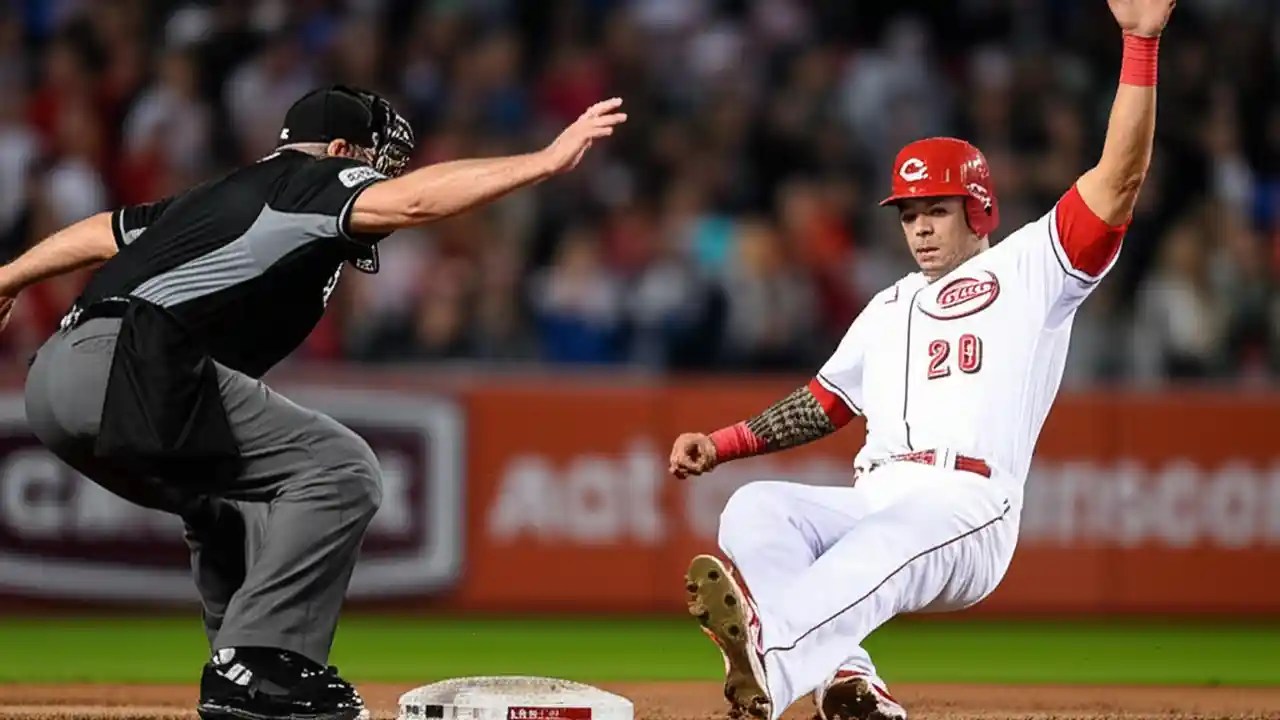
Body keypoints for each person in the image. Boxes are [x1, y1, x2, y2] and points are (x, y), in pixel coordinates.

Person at [1, 86, 626, 720]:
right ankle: (257, 664)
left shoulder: (220, 197)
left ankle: (240, 669)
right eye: (374, 159)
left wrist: (9, 276)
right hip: (127, 364)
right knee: (341, 468)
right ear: (337, 150)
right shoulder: (311, 179)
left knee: (226, 505)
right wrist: (543, 161)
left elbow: (102, 234)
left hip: (54, 385)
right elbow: (412, 201)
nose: (379, 175)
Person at [667, 2, 1175, 720]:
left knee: (879, 544)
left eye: (935, 209)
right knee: (756, 510)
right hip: (877, 492)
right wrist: (721, 445)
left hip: (967, 506)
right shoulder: (889, 305)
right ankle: (849, 682)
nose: (919, 228)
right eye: (908, 214)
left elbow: (1119, 178)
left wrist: (1140, 43)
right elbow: (825, 402)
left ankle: (771, 671)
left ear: (979, 210)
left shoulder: (1034, 268)